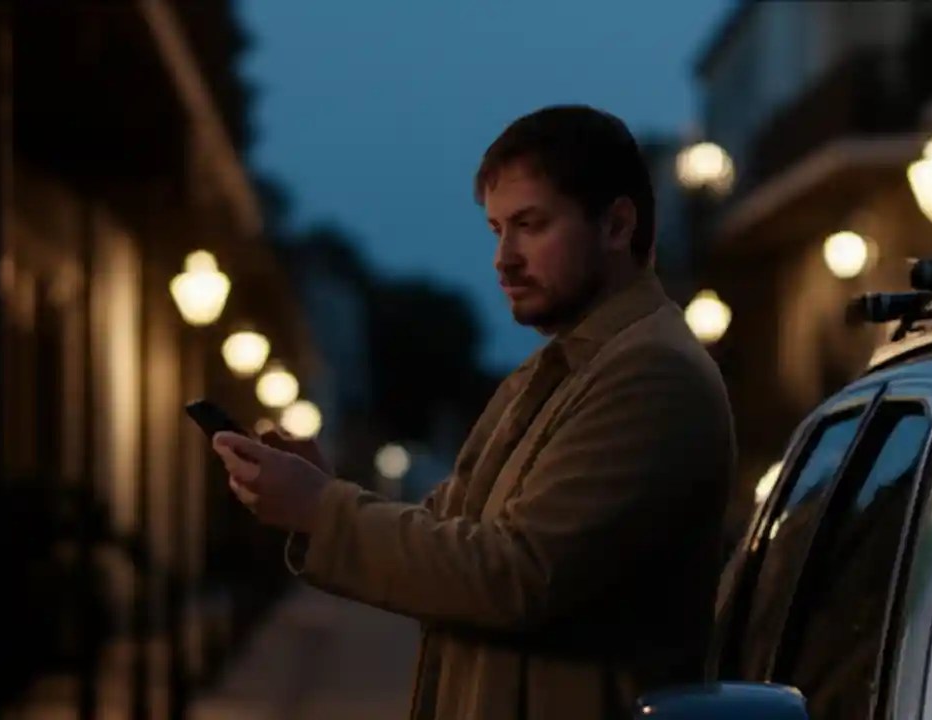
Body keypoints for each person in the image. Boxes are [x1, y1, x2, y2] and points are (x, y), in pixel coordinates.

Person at [213, 105, 736, 720]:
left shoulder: (651, 375)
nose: (503, 258)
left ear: (618, 224)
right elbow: (450, 535)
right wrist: (320, 494)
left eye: (530, 225)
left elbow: (513, 576)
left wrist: (319, 509)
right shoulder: (555, 372)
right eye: (496, 231)